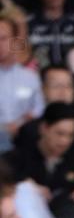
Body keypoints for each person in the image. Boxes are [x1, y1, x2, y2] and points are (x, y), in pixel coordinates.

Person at [0, 16, 44, 153]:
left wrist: (19, 125)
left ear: (14, 41)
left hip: (23, 141)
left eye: (3, 38)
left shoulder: (30, 77)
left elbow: (38, 109)